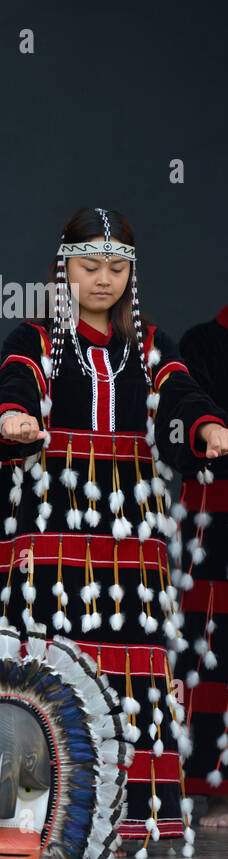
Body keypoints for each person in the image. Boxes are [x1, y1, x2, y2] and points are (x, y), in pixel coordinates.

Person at [0, 207, 227, 858]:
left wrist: (204, 425)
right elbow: (14, 386)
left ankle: (125, 813)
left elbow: (182, 395)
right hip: (54, 546)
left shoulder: (150, 348)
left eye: (118, 267)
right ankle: (39, 810)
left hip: (130, 555)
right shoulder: (35, 340)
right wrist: (12, 419)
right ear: (64, 269)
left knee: (130, 679)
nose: (104, 279)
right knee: (55, 668)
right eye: (91, 265)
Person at [172, 303, 228, 827]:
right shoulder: (199, 342)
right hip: (214, 513)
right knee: (206, 645)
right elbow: (186, 441)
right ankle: (206, 778)